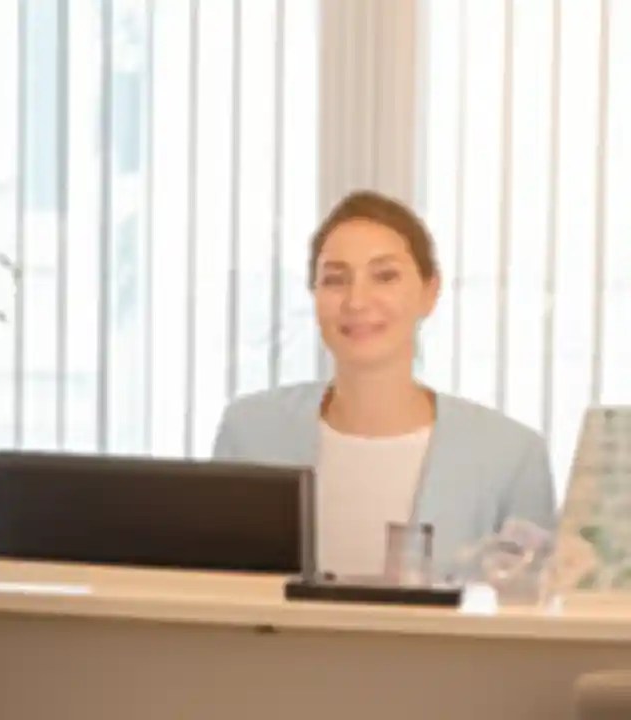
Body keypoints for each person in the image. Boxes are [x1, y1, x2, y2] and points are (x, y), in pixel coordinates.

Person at [212, 190, 556, 578]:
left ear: (430, 292)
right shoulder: (250, 432)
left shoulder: (510, 456)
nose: (357, 301)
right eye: (335, 279)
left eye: (385, 276)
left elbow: (530, 618)